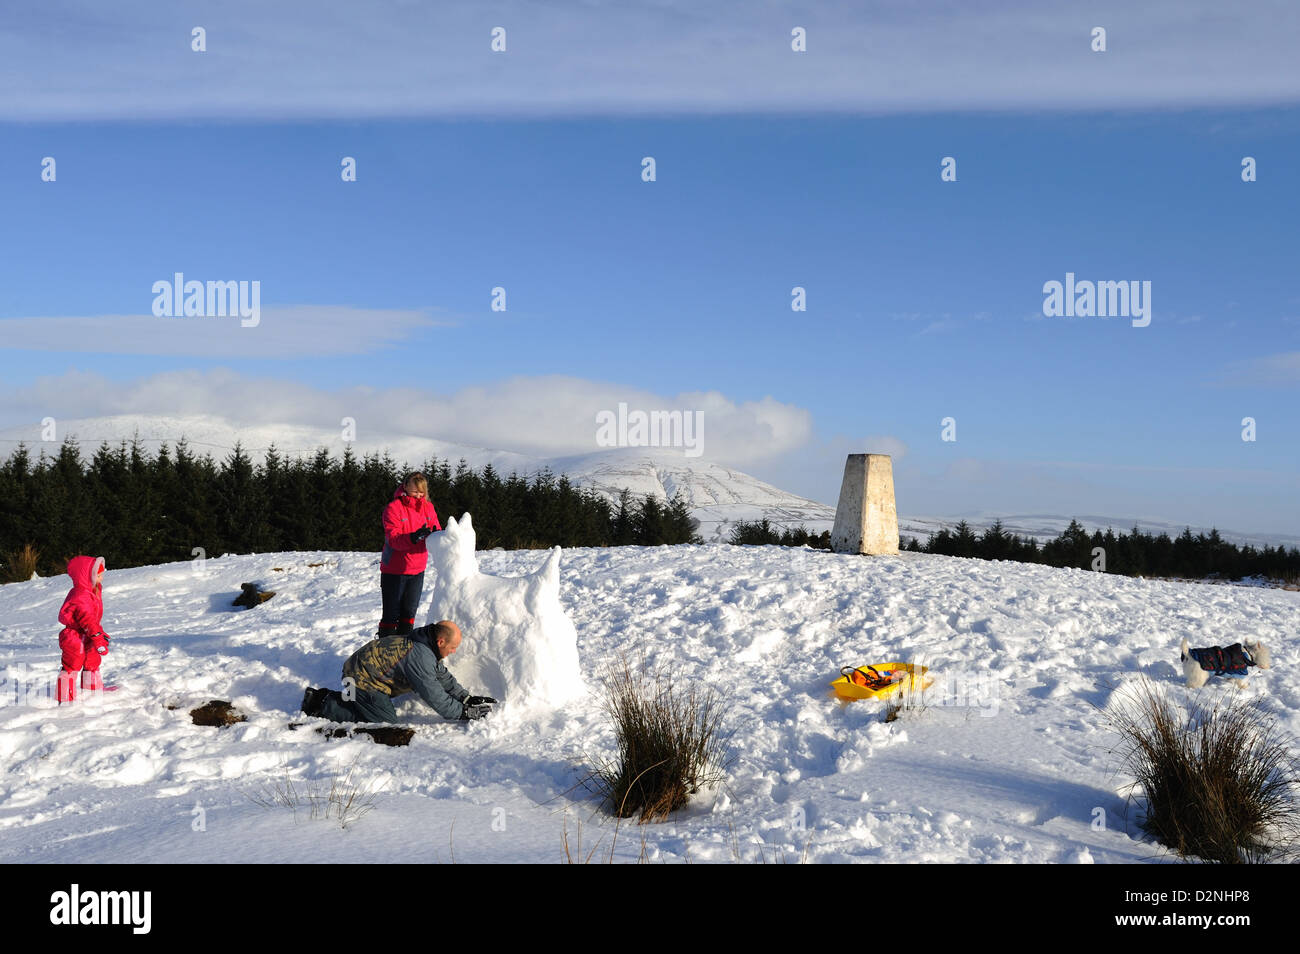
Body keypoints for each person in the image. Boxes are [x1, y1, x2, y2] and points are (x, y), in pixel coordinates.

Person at [300, 620, 496, 723]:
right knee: (384, 723)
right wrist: (464, 713)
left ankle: (342, 699)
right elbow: (435, 696)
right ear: (441, 641)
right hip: (358, 679)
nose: (453, 652)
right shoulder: (420, 657)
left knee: (366, 706)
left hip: (359, 673)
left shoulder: (424, 645)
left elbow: (441, 676)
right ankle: (321, 704)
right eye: (453, 647)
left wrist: (465, 698)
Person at [378, 472, 441, 636]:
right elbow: (394, 539)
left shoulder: (428, 507)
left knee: (409, 615)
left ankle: (404, 651)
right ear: (405, 487)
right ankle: (385, 652)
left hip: (418, 569)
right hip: (395, 570)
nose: (418, 496)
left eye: (422, 493)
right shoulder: (394, 508)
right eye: (415, 492)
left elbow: (436, 528)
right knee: (391, 615)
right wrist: (413, 537)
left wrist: (436, 534)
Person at [56, 555, 110, 704]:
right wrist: (99, 640)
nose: (102, 577)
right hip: (75, 636)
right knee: (73, 663)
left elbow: (93, 621)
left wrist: (98, 635)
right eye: (98, 575)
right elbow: (88, 621)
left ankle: (91, 691)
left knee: (92, 660)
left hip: (88, 634)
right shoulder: (81, 596)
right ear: (88, 577)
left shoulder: (93, 591)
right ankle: (65, 697)